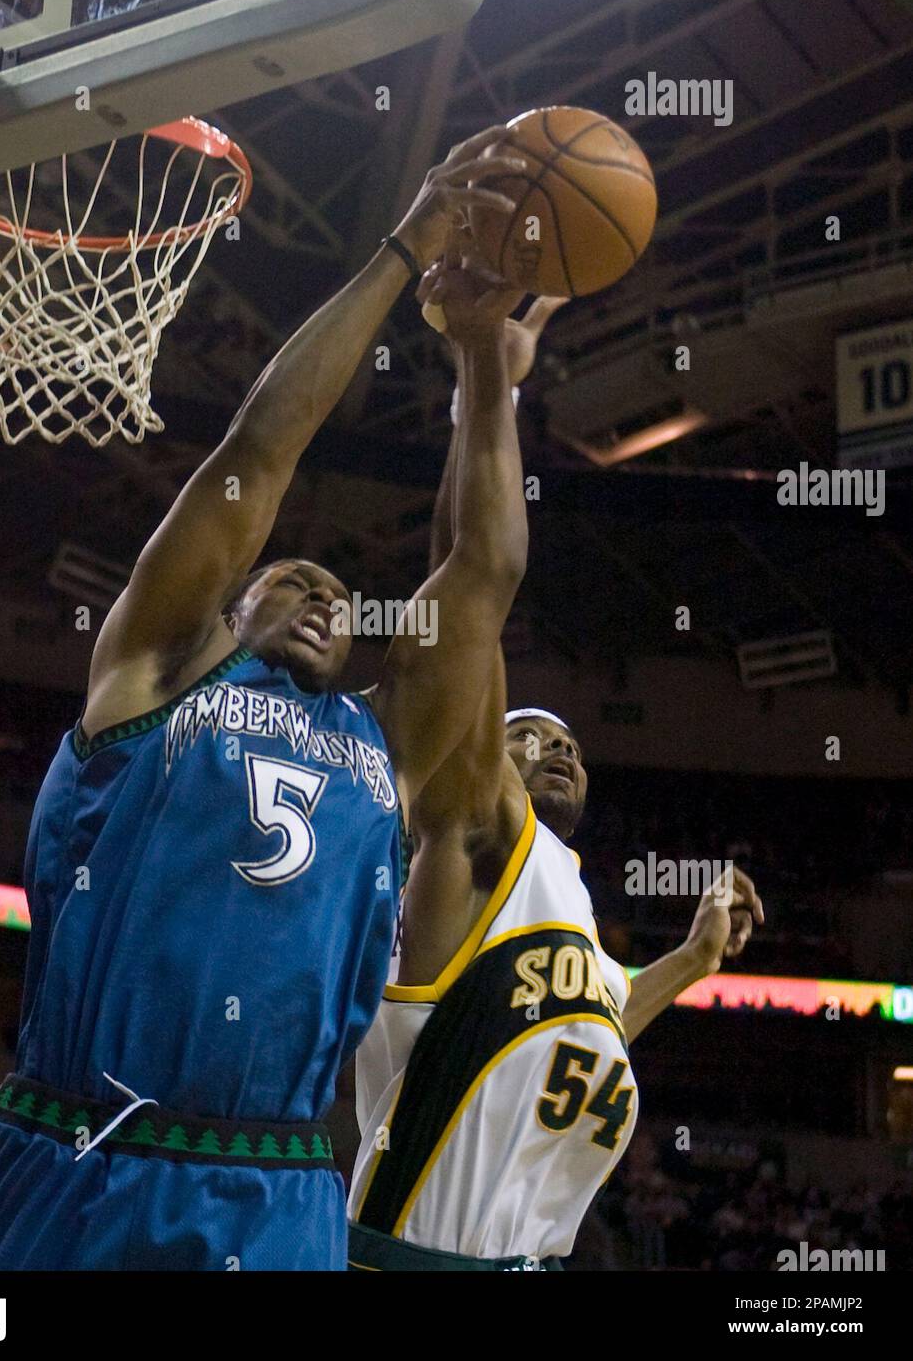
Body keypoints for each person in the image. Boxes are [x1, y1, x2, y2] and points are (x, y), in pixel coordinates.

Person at [0, 128, 534, 1271]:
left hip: (276, 1192)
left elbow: (484, 574)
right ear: (228, 598)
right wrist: (403, 252)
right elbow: (259, 451)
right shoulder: (156, 674)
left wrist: (478, 361)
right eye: (286, 577)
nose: (319, 590)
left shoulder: (381, 746)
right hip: (78, 1155)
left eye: (336, 586)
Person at [347, 310, 765, 1271]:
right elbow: (471, 587)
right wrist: (486, 377)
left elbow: (600, 1012)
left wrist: (696, 960)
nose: (557, 747)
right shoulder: (473, 833)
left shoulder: (563, 909)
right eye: (525, 735)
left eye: (568, 740)